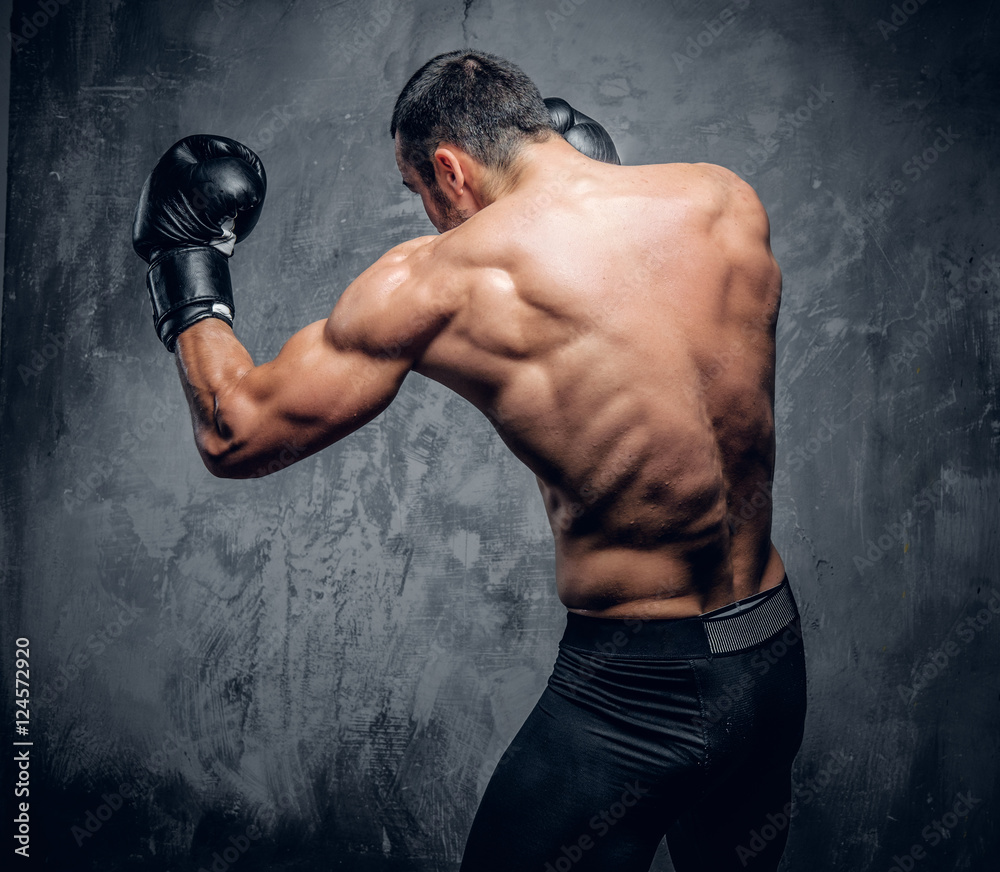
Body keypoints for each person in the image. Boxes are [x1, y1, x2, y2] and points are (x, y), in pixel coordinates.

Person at [133, 49, 805, 872]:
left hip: (636, 691)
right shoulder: (725, 199)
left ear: (448, 167)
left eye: (418, 190)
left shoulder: (441, 280)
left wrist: (184, 262)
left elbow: (235, 435)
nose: (427, 213)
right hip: (770, 660)